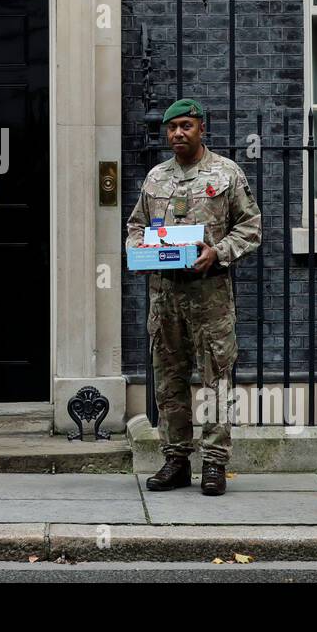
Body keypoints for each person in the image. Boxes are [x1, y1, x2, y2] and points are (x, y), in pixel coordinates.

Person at [126, 98, 262, 495]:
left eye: (186, 125)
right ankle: (176, 460)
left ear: (202, 128)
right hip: (164, 296)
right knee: (168, 380)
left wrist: (217, 253)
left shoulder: (226, 173)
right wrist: (140, 250)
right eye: (172, 128)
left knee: (216, 378)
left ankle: (215, 463)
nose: (178, 133)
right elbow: (136, 226)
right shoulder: (155, 179)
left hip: (211, 297)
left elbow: (251, 227)